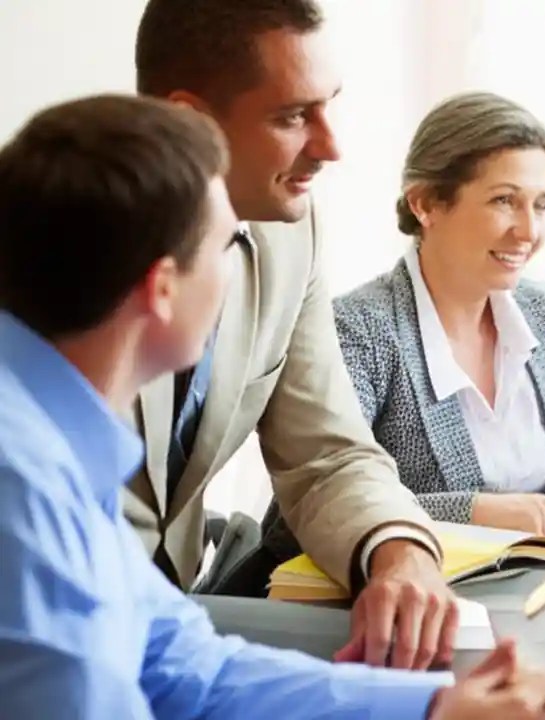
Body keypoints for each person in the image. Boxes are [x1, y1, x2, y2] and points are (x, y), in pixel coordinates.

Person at [0, 93, 545, 720]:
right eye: (229, 245)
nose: (245, 273)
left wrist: (439, 708)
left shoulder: (56, 454)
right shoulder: (22, 489)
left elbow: (188, 665)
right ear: (163, 290)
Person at [130, 0, 457, 669]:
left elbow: (326, 453)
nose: (331, 147)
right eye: (292, 116)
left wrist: (398, 551)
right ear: (190, 123)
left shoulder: (289, 233)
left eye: (329, 104)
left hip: (174, 615)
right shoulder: (50, 246)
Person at [306, 91, 545, 537]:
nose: (529, 231)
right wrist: (473, 511)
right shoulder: (359, 331)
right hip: (420, 599)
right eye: (504, 201)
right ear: (426, 203)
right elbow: (321, 501)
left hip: (543, 593)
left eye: (542, 204)